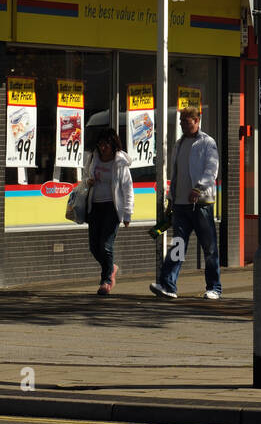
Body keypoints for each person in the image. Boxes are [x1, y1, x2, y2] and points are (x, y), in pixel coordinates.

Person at [150, 107, 221, 300]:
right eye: (181, 123)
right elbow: (176, 173)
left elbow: (211, 169)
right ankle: (168, 286)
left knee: (209, 247)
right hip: (180, 204)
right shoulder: (179, 144)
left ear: (197, 121)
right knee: (178, 245)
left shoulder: (207, 143)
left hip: (201, 204)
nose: (183, 126)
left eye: (187, 122)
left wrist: (199, 188)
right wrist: (171, 200)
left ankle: (214, 287)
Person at [85, 126, 134, 295]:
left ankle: (106, 281)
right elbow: (86, 175)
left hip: (112, 208)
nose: (102, 148)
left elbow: (128, 189)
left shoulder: (120, 163)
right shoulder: (94, 158)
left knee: (105, 245)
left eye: (106, 144)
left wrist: (127, 213)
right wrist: (88, 181)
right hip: (95, 206)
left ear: (113, 145)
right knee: (93, 246)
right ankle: (111, 267)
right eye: (100, 144)